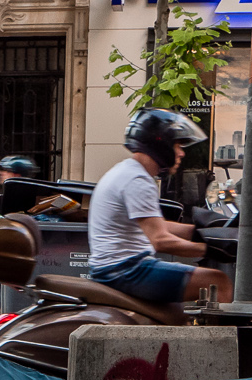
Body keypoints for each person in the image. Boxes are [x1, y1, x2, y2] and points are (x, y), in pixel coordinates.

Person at [84, 109, 233, 307]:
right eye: (178, 145)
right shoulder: (138, 180)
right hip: (127, 271)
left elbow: (156, 226)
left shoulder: (128, 172)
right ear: (160, 144)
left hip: (113, 268)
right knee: (219, 282)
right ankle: (224, 339)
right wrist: (214, 249)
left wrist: (208, 231)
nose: (182, 153)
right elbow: (159, 240)